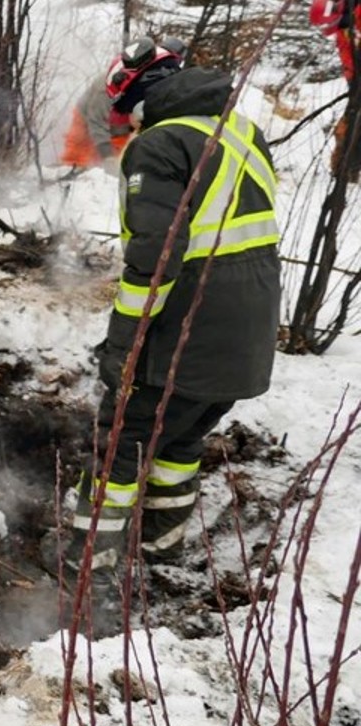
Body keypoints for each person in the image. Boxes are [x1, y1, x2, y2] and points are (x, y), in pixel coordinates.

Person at [67, 55, 281, 581]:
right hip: (249, 331)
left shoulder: (160, 144)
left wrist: (123, 347)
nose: (125, 123)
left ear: (137, 97)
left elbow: (155, 260)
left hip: (189, 326)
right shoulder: (240, 132)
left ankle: (86, 567)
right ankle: (161, 548)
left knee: (119, 444)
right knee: (180, 439)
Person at [59, 36, 186, 172]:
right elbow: (96, 121)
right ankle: (70, 174)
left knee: (122, 160)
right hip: (89, 120)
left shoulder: (156, 82)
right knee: (78, 154)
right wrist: (107, 156)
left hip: (122, 128)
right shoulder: (109, 86)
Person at [311, 0, 361, 180]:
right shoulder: (344, 31)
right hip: (356, 80)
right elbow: (347, 57)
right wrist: (352, 79)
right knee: (349, 126)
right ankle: (346, 169)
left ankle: (348, 167)